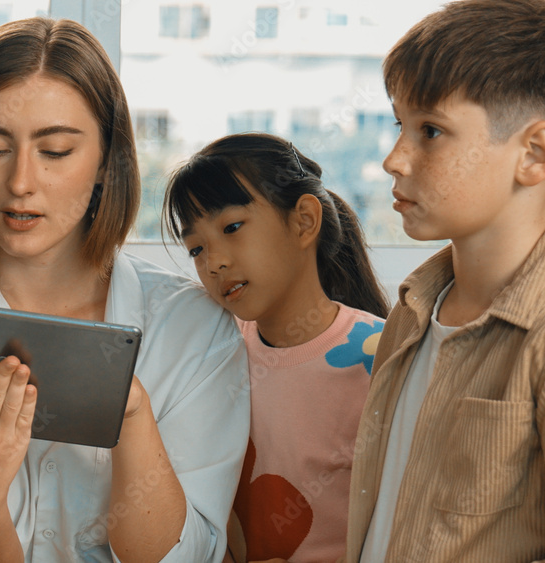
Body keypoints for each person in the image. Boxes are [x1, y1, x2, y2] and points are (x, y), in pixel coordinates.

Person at [0, 17, 249, 563]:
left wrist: (133, 414)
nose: (21, 181)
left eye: (56, 151)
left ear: (105, 163)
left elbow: (181, 559)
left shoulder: (192, 329)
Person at [341, 0, 545, 561]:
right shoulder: (411, 309)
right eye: (399, 125)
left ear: (534, 153)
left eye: (430, 131)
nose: (393, 159)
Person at [163, 133, 388, 563]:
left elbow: (409, 522)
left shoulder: (381, 357)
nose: (214, 262)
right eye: (196, 248)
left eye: (231, 228)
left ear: (303, 221)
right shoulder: (213, 357)